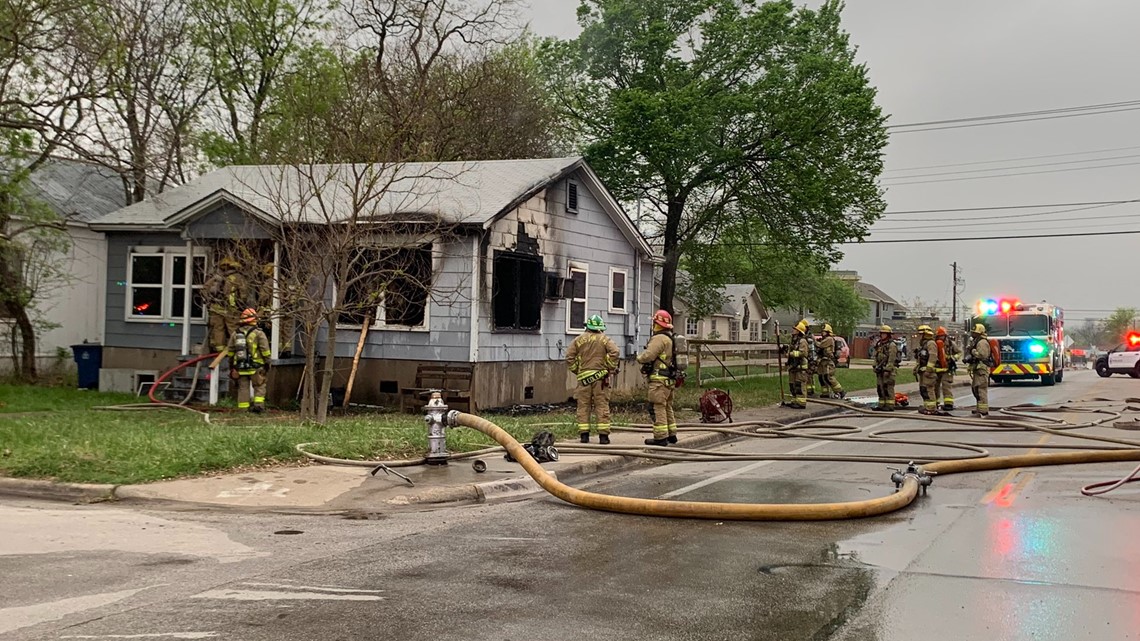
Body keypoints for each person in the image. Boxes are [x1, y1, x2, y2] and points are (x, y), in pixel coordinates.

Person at [566, 314, 619, 444]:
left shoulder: (578, 340)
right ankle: (603, 437)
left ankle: (584, 436)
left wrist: (576, 370)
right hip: (601, 379)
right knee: (602, 405)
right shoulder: (605, 339)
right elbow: (615, 352)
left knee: (583, 406)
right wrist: (609, 368)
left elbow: (569, 357)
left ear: (587, 326)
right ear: (600, 327)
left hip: (584, 379)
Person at [637, 310, 679, 446]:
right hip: (669, 379)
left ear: (657, 324)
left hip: (659, 379)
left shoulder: (659, 338)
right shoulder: (670, 338)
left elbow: (648, 355)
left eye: (654, 322)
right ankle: (671, 434)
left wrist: (639, 357)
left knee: (658, 406)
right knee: (667, 406)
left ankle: (660, 437)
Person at [227, 308, 272, 412]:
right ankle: (259, 407)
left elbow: (230, 351)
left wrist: (232, 366)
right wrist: (267, 362)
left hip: (240, 366)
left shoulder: (235, 333)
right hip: (256, 366)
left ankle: (243, 409)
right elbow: (265, 350)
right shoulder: (258, 333)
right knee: (259, 386)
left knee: (243, 388)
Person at [205, 256, 249, 352]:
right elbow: (244, 293)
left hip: (215, 308)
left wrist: (209, 301)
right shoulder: (238, 278)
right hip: (231, 309)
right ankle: (238, 349)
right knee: (233, 329)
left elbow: (205, 289)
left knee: (218, 329)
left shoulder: (216, 278)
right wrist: (242, 304)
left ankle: (219, 350)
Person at [965, 323, 993, 417]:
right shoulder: (977, 342)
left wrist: (973, 352)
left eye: (974, 332)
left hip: (982, 370)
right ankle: (979, 409)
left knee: (981, 390)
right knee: (976, 389)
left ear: (979, 333)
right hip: (978, 370)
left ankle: (984, 411)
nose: (972, 334)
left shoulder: (982, 342)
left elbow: (983, 355)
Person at [782, 320, 811, 409]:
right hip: (793, 366)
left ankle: (801, 403)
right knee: (792, 385)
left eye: (795, 329)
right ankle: (794, 401)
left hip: (800, 367)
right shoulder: (794, 341)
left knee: (799, 385)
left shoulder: (802, 341)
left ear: (799, 331)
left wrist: (790, 353)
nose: (793, 330)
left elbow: (803, 353)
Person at [914, 325, 942, 415]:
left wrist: (928, 370)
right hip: (923, 372)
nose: (919, 336)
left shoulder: (931, 343)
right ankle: (927, 407)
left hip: (928, 373)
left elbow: (933, 357)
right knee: (923, 390)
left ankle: (932, 408)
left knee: (929, 389)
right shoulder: (923, 344)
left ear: (926, 334)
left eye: (921, 334)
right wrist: (916, 368)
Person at [872, 325, 900, 412]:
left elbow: (891, 359)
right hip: (880, 370)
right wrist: (875, 366)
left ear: (888, 335)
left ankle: (890, 405)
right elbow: (876, 356)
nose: (883, 335)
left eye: (885, 334)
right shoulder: (880, 344)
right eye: (882, 333)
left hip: (888, 371)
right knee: (880, 388)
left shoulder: (892, 345)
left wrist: (887, 369)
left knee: (888, 388)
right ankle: (881, 404)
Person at [815, 323, 845, 399]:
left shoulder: (829, 339)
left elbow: (820, 345)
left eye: (824, 331)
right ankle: (825, 393)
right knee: (821, 377)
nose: (822, 332)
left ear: (828, 332)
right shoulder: (824, 339)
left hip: (828, 361)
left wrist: (812, 338)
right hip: (822, 361)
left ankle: (840, 391)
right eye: (822, 331)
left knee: (828, 377)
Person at [935, 327, 960, 410]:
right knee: (935, 386)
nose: (941, 338)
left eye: (942, 336)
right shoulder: (934, 344)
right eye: (939, 336)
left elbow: (959, 352)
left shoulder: (950, 343)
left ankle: (948, 404)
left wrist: (954, 357)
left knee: (946, 385)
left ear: (945, 336)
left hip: (948, 367)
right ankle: (935, 402)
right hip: (937, 368)